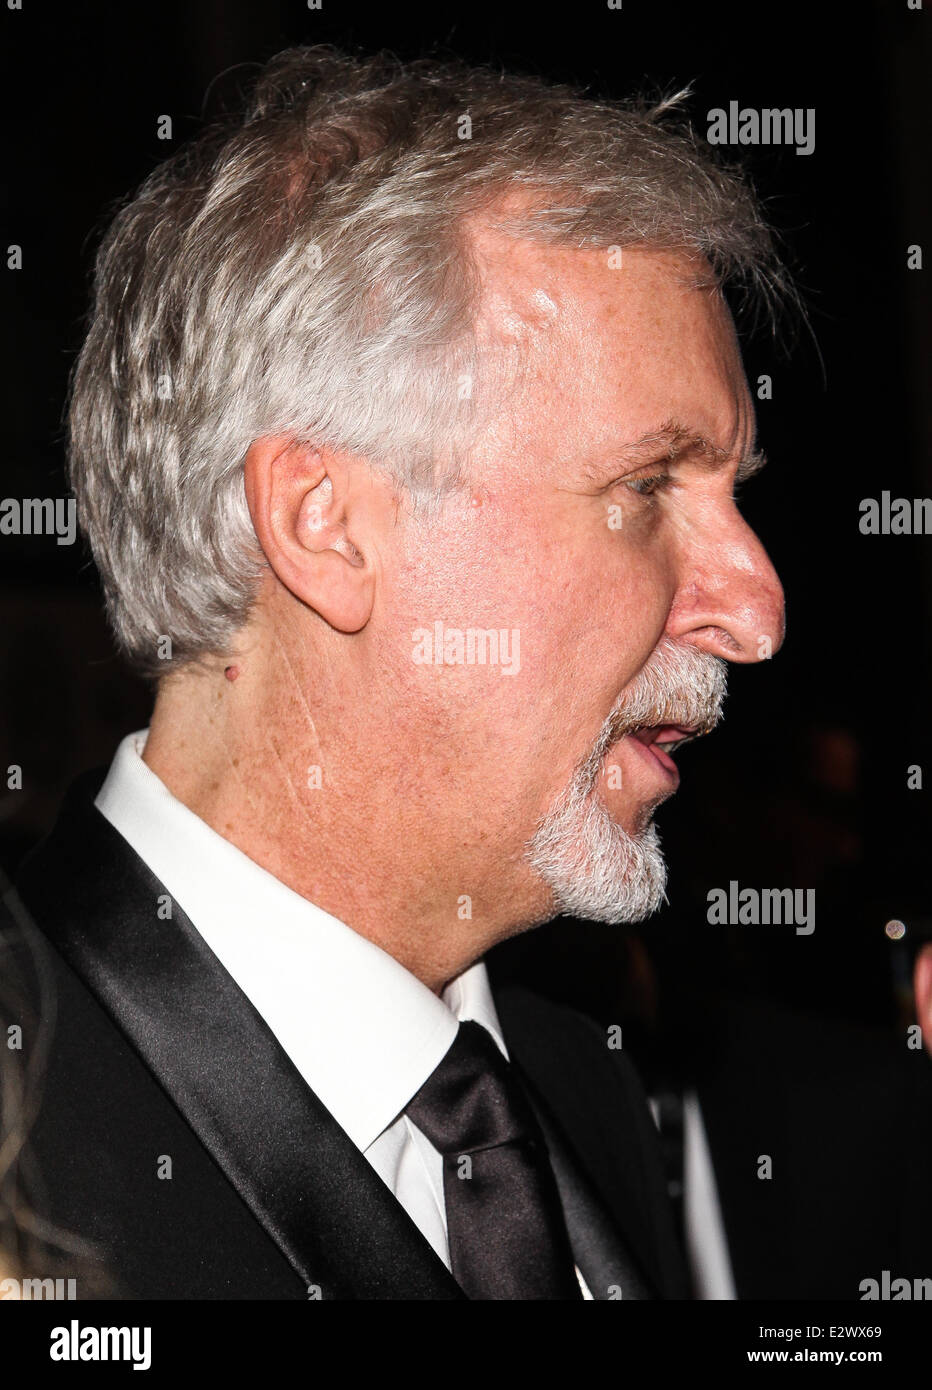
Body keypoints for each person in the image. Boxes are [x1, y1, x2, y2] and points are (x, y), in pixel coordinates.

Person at [9, 46, 787, 1300]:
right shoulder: (24, 1130)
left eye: (732, 497)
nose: (754, 611)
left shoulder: (567, 1086)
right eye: (645, 487)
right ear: (324, 524)